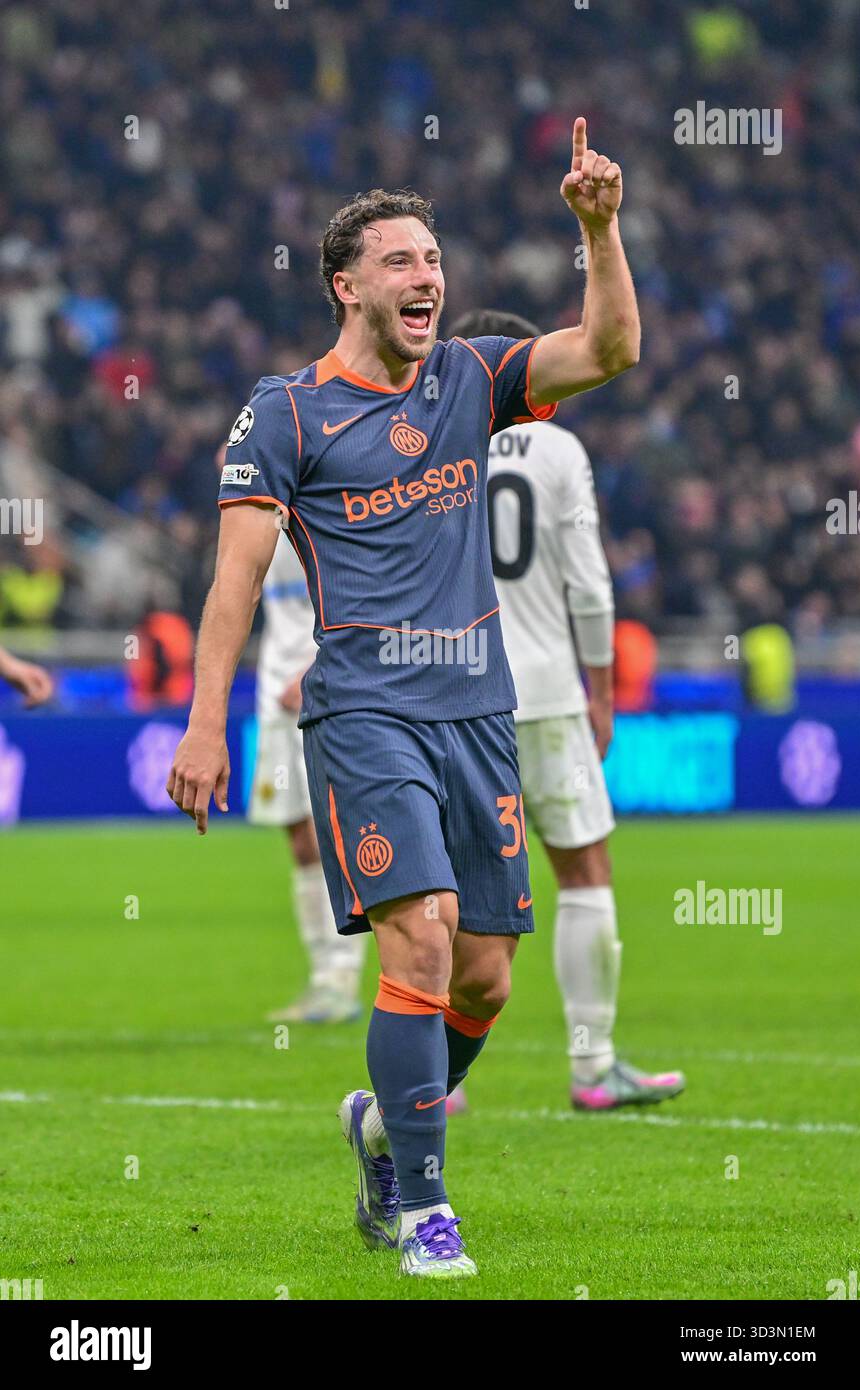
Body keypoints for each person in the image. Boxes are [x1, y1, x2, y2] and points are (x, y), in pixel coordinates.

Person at [167, 118, 640, 1278]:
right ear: (344, 285)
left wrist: (599, 229)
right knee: (419, 942)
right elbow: (232, 578)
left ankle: (385, 1130)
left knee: (483, 973)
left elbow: (611, 349)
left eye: (432, 259)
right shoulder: (284, 412)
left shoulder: (473, 379)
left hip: (477, 711)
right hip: (363, 711)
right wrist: (202, 715)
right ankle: (427, 1212)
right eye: (399, 261)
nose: (425, 276)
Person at [453, 307, 684, 1112]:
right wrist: (602, 689)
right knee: (584, 869)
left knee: (445, 893)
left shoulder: (430, 440)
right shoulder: (558, 450)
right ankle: (592, 1069)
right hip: (548, 690)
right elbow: (589, 582)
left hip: (458, 695)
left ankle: (438, 1084)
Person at [250, 527, 366, 1023]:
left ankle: (344, 978)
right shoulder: (250, 508)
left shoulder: (325, 501)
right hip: (273, 690)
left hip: (326, 684)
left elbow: (363, 594)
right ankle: (321, 978)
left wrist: (319, 668)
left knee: (336, 832)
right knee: (299, 837)